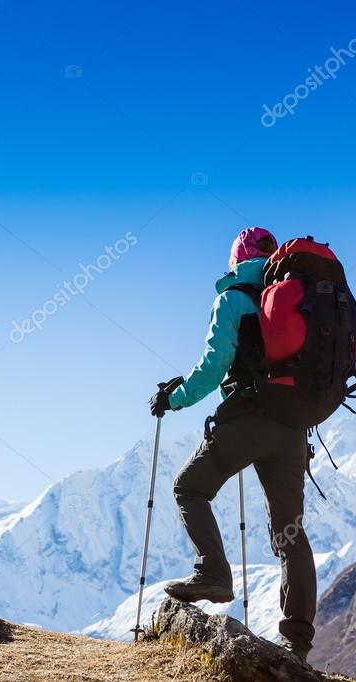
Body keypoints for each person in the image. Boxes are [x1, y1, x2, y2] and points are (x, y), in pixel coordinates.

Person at [149, 226, 317, 664]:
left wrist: (174, 398)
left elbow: (213, 367)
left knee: (190, 487)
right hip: (294, 428)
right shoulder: (300, 297)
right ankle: (297, 642)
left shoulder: (234, 297)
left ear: (236, 260)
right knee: (290, 532)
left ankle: (213, 574)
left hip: (249, 419)